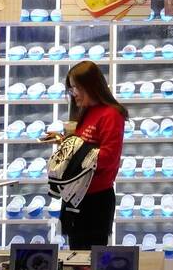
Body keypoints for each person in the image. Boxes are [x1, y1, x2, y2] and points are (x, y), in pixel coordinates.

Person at [46, 60, 126, 250]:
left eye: (76, 87)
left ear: (91, 86)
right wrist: (64, 141)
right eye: (71, 88)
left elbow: (108, 156)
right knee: (76, 256)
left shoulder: (111, 114)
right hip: (75, 197)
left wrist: (75, 150)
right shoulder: (87, 112)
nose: (73, 93)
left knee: (90, 263)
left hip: (96, 200)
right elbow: (83, 145)